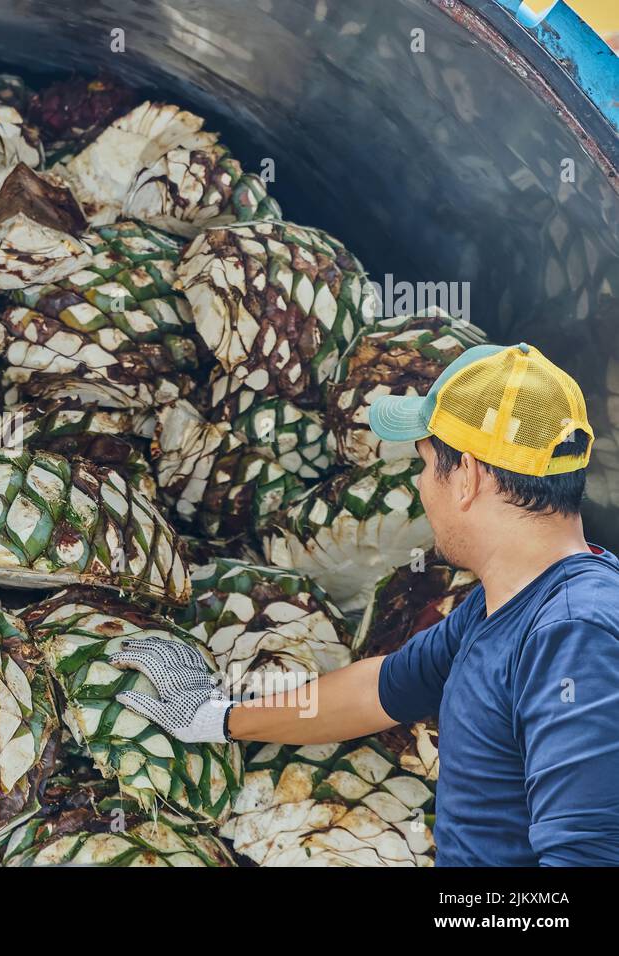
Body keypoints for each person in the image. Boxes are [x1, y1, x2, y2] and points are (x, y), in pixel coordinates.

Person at [112, 342, 619, 866]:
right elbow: (379, 689)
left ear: (467, 477)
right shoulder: (504, 603)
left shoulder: (575, 636)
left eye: (424, 464)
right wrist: (217, 718)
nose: (420, 485)